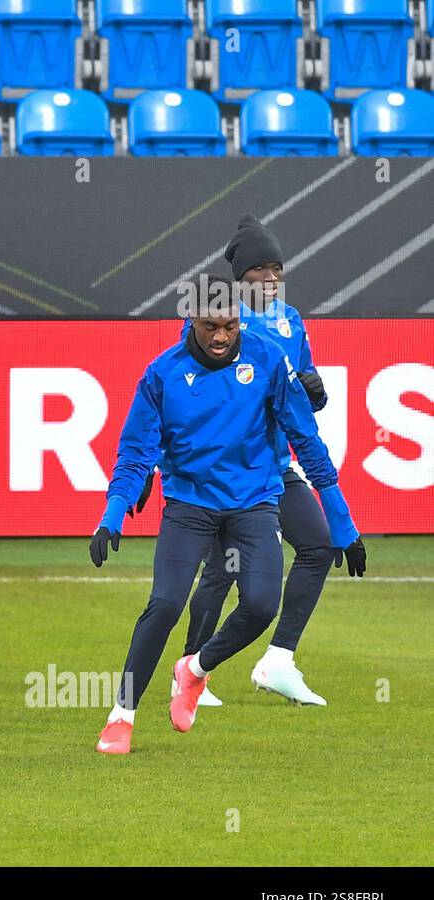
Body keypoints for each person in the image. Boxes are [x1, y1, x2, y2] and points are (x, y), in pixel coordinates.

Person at [91, 275, 366, 755]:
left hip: (254, 502)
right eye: (210, 326)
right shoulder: (163, 375)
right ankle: (122, 716)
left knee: (261, 605)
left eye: (231, 325)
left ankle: (194, 670)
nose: (221, 336)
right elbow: (136, 453)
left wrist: (341, 522)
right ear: (190, 321)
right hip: (190, 505)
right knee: (166, 604)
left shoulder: (265, 359)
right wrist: (112, 514)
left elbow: (306, 440)